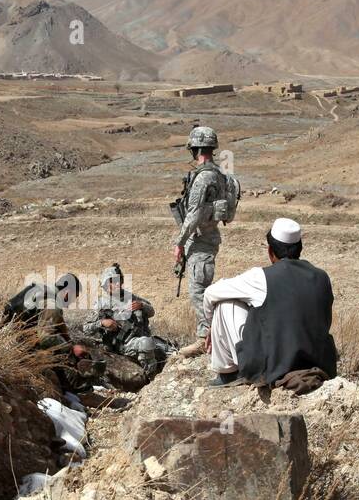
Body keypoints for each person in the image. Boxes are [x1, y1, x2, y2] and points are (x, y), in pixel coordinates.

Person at [202, 218, 337, 388]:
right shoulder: (322, 276)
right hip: (320, 363)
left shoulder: (261, 277)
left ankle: (228, 374)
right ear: (299, 249)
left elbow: (210, 292)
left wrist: (210, 327)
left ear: (270, 251)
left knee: (225, 303)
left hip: (275, 366)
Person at [173, 126, 230, 356]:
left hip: (201, 241)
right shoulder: (218, 173)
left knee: (199, 291)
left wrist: (179, 242)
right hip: (207, 239)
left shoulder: (203, 177)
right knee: (202, 289)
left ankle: (205, 339)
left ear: (195, 149)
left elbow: (193, 214)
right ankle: (208, 337)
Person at [2, 273, 101, 392]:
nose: (72, 301)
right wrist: (70, 348)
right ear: (68, 292)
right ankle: (74, 387)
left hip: (9, 341)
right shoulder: (52, 304)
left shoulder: (43, 292)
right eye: (75, 296)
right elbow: (45, 338)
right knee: (64, 358)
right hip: (16, 348)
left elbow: (55, 328)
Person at [82, 264, 170, 384]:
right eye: (112, 281)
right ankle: (152, 380)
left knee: (168, 348)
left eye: (119, 280)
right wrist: (102, 322)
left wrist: (142, 306)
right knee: (146, 343)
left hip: (139, 338)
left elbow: (151, 311)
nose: (117, 284)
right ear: (106, 284)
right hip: (121, 345)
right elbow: (86, 327)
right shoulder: (101, 303)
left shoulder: (131, 297)